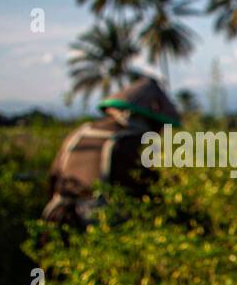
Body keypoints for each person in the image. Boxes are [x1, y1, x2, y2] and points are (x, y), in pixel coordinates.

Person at [43, 76, 180, 227]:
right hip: (96, 221)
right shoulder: (134, 143)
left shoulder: (80, 133)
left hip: (54, 216)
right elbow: (152, 190)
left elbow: (53, 179)